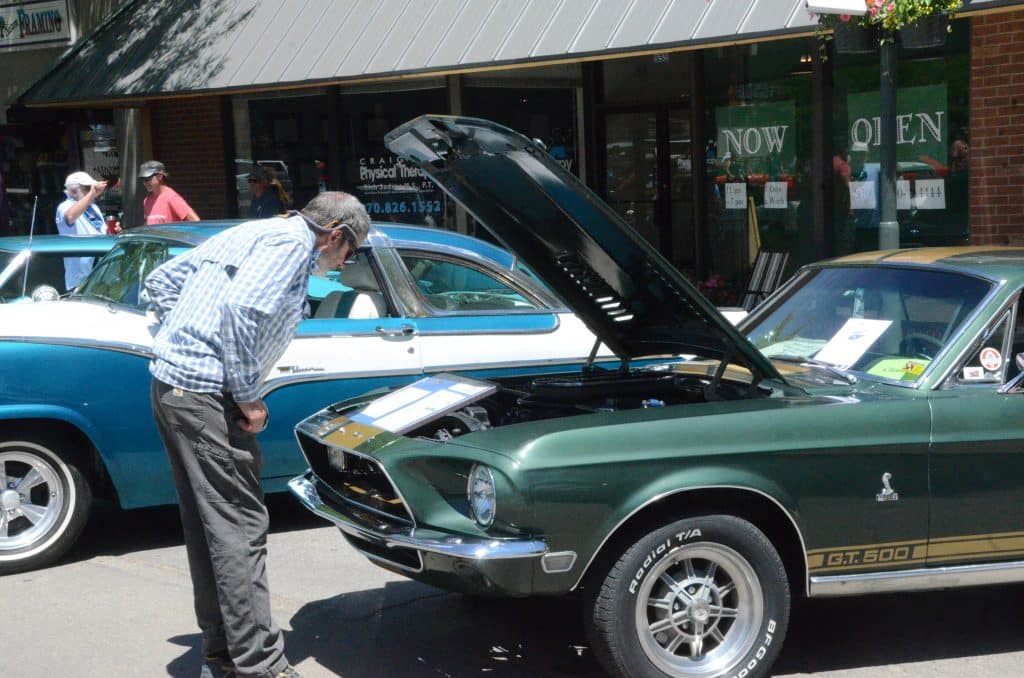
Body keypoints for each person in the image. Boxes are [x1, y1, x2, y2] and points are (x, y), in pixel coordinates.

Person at [145, 191, 370, 678]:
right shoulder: (292, 246)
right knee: (240, 530)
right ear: (335, 235)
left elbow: (161, 280)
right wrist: (248, 394)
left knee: (212, 531)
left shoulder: (256, 231)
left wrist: (181, 340)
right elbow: (243, 311)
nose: (342, 263)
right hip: (209, 396)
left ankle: (224, 658)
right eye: (347, 253)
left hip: (174, 387)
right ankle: (259, 666)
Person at [55, 171, 109, 289]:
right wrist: (92, 194)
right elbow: (70, 216)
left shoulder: (93, 207)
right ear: (74, 191)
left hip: (100, 271)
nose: (91, 191)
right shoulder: (65, 206)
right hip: (79, 277)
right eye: (87, 188)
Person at [139, 160, 200, 224]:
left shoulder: (171, 197)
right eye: (143, 179)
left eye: (147, 179)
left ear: (160, 176)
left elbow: (195, 220)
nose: (145, 183)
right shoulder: (147, 201)